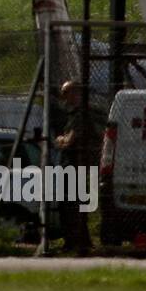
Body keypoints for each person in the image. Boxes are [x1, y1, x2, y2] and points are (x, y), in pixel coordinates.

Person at [54, 81, 96, 254]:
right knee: (68, 204)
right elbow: (62, 139)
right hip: (68, 164)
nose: (64, 98)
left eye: (67, 93)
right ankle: (74, 240)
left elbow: (68, 141)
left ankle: (79, 241)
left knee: (74, 204)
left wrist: (62, 140)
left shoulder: (80, 115)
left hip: (75, 165)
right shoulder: (71, 115)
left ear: (75, 93)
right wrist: (62, 140)